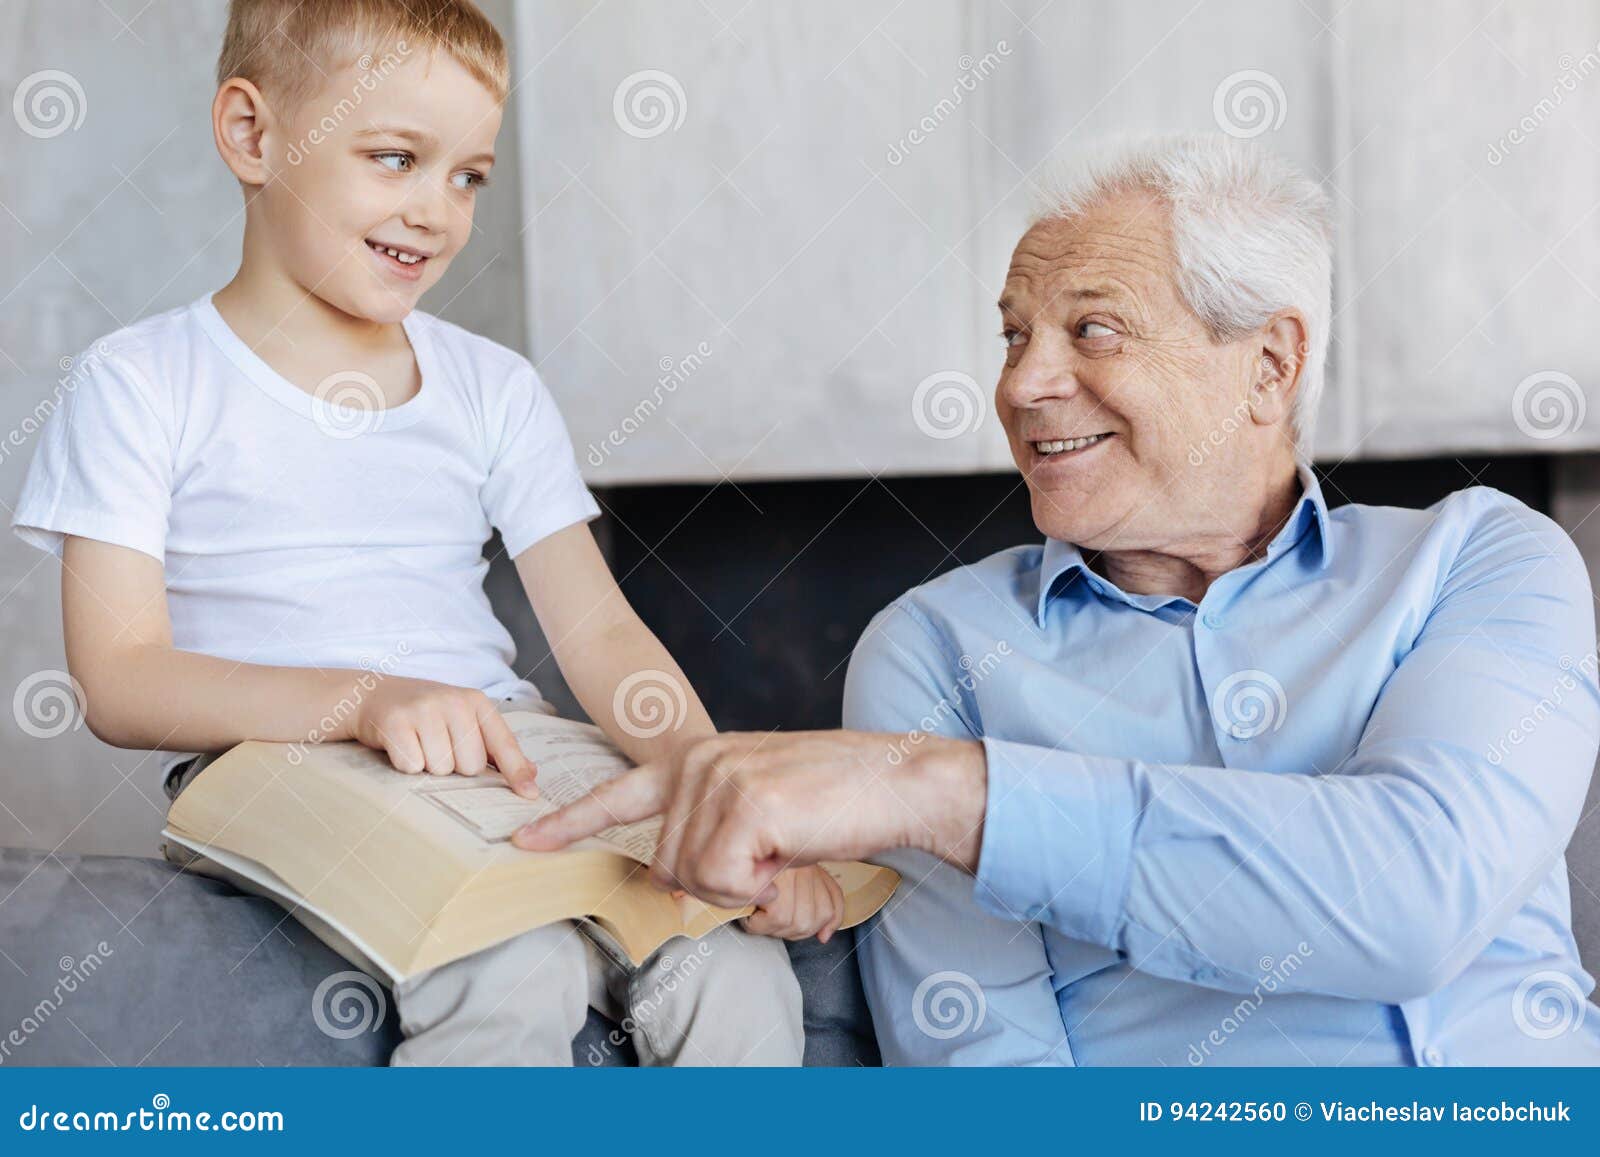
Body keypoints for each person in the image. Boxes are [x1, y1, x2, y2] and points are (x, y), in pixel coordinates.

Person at [519, 133, 1600, 1066]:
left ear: (1267, 365)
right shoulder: (936, 651)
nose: (1021, 385)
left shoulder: (1484, 560)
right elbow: (988, 1068)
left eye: (1091, 330)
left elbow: (1414, 897)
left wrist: (951, 797)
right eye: (1011, 335)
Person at [12, 0, 842, 1067]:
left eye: (467, 176)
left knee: (728, 966)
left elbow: (602, 638)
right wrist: (365, 701)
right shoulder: (139, 381)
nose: (437, 213)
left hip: (504, 743)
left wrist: (719, 792)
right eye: (395, 157)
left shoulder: (493, 387)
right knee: (512, 963)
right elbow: (121, 682)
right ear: (251, 135)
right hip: (278, 755)